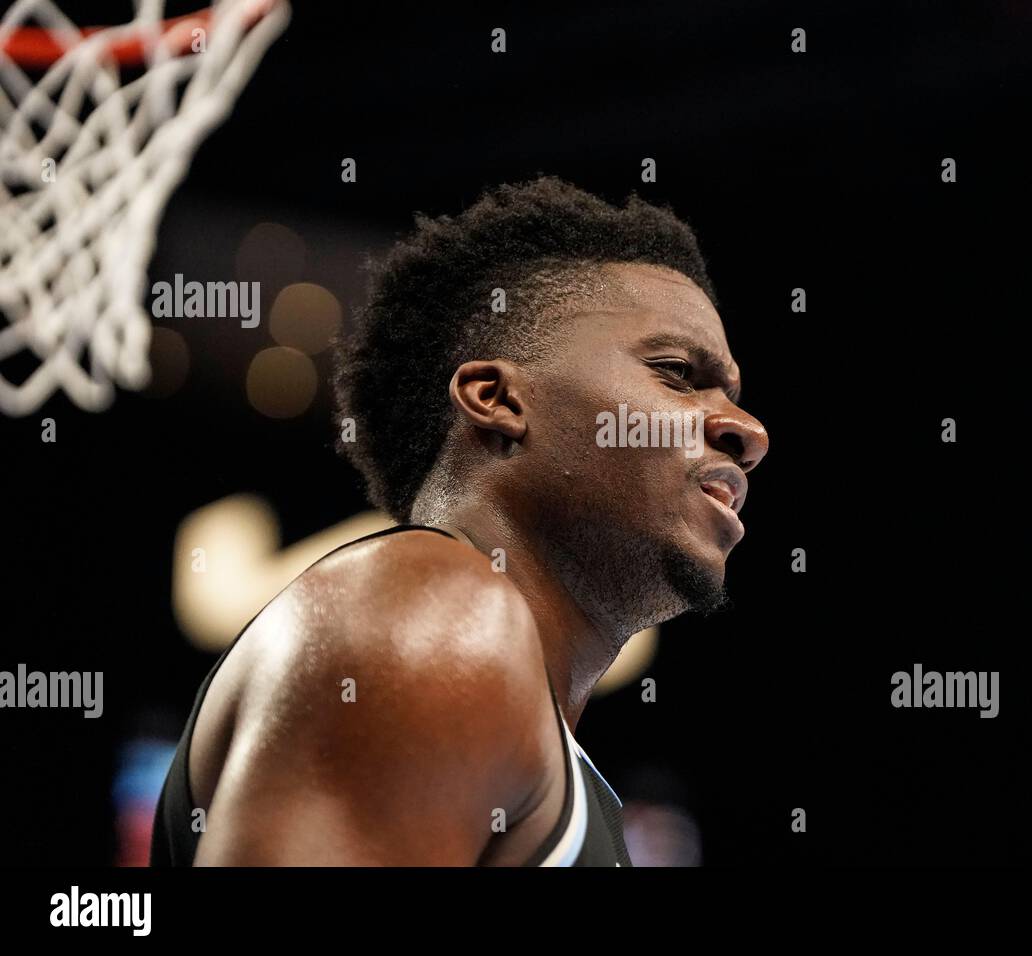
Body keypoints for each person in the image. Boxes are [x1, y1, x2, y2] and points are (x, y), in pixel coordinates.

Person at [150, 174, 769, 866]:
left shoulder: (557, 763)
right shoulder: (433, 611)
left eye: (734, 394)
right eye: (678, 373)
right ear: (497, 399)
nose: (747, 430)